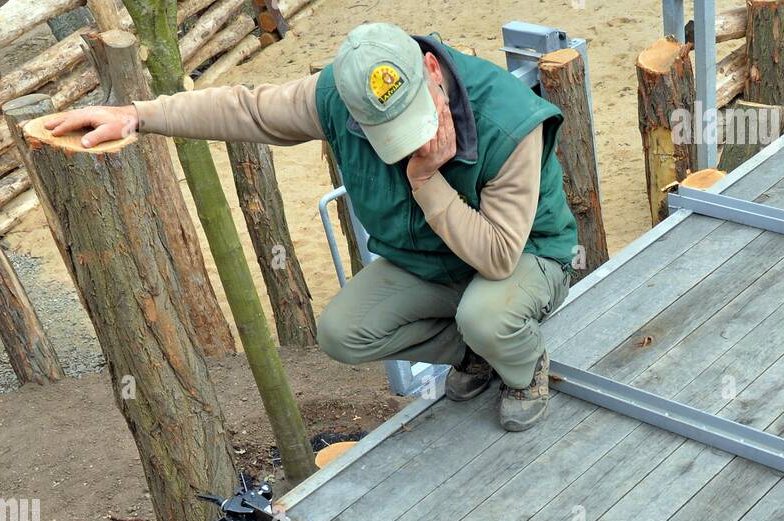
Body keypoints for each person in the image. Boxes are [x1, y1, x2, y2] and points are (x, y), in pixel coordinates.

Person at [47, 22, 579, 432]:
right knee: (343, 332)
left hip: (524, 255)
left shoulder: (507, 121)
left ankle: (524, 367)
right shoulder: (336, 96)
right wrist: (139, 115)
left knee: (486, 314)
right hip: (433, 259)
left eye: (415, 119)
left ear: (432, 69)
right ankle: (475, 354)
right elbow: (249, 110)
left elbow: (498, 257)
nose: (415, 143)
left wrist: (425, 179)